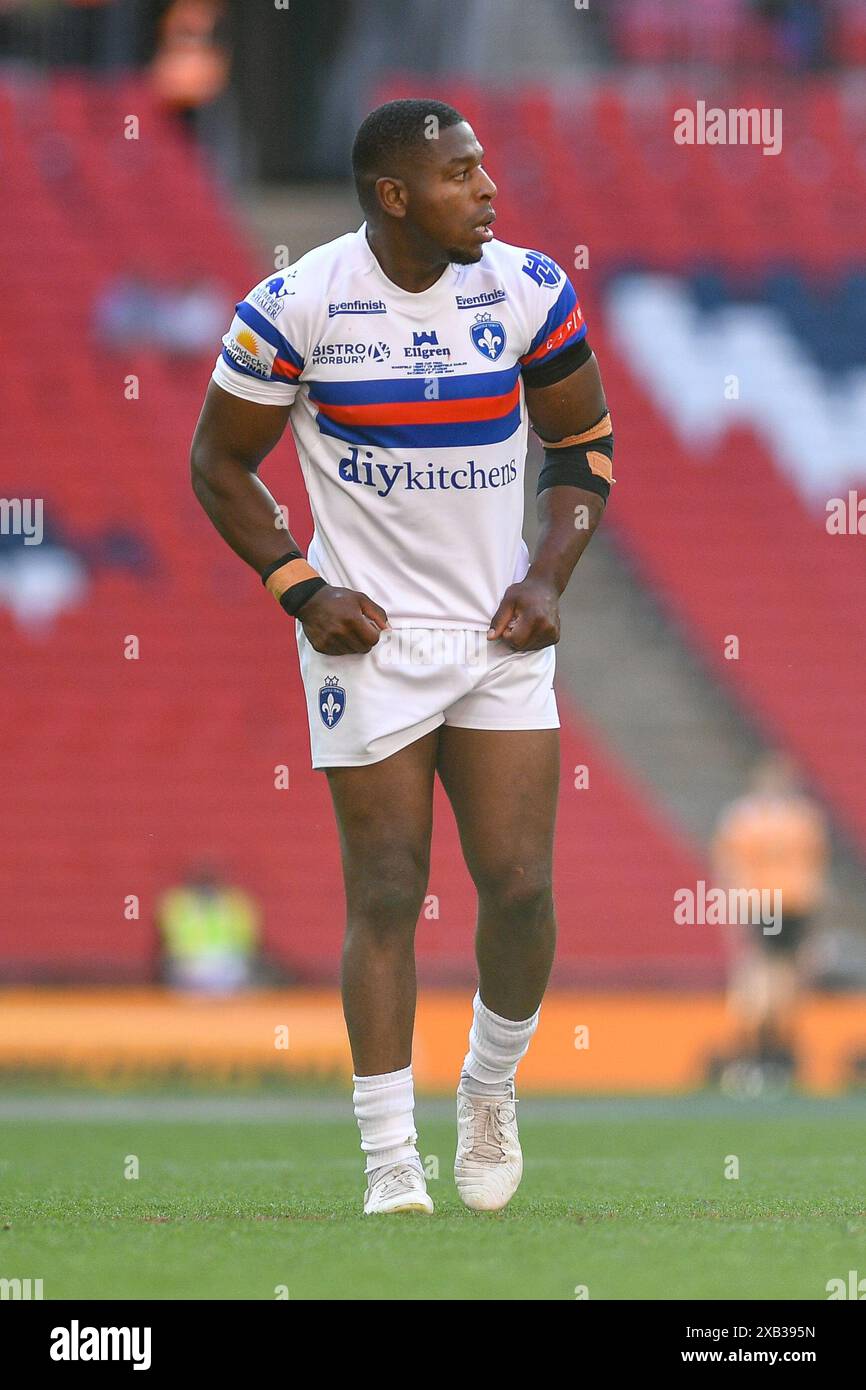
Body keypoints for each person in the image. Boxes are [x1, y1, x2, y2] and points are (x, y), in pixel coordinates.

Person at [190, 98, 614, 1214]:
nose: (486, 190)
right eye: (459, 174)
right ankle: (388, 1161)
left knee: (518, 886)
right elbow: (218, 465)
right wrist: (301, 587)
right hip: (366, 638)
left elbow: (581, 444)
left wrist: (544, 577)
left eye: (482, 169)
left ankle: (486, 1088)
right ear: (392, 195)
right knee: (385, 889)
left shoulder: (526, 289)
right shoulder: (298, 304)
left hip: (496, 633)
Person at [711, 753, 829, 1089]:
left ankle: (769, 1056)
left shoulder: (787, 817)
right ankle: (762, 1056)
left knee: (779, 980)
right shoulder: (795, 817)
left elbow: (814, 869)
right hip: (767, 903)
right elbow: (730, 867)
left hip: (787, 903)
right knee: (769, 978)